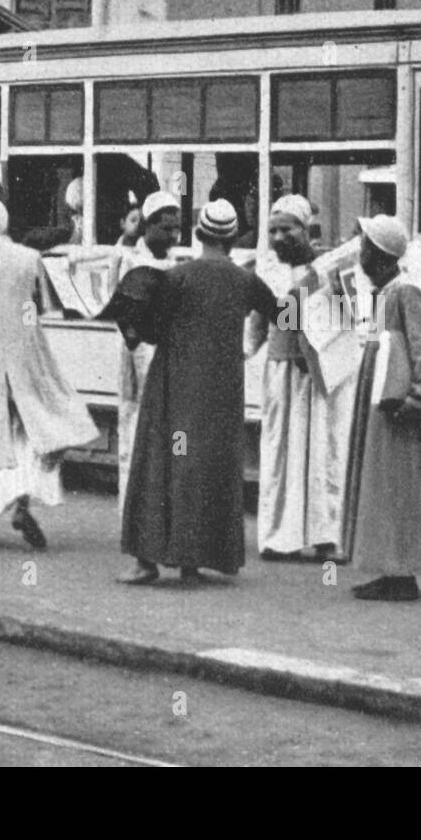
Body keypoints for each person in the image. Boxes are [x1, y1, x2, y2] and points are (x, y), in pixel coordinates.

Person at [119, 200, 279, 585]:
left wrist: (132, 325)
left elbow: (150, 331)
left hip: (173, 387)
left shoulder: (177, 277)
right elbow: (281, 313)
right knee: (209, 467)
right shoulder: (246, 280)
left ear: (198, 234)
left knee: (166, 461)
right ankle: (194, 560)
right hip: (222, 392)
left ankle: (148, 561)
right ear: (235, 238)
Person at [0, 197, 99, 549]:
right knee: (28, 433)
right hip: (27, 358)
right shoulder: (30, 259)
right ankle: (22, 504)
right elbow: (40, 307)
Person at [341, 215, 421, 601]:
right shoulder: (389, 293)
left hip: (401, 407)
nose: (360, 258)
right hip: (385, 404)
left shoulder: (406, 293)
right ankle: (392, 569)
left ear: (381, 256)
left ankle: (401, 572)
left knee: (398, 487)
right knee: (387, 488)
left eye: (365, 251)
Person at [253, 194, 354, 562]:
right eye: (273, 230)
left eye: (287, 229)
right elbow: (260, 326)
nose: (279, 237)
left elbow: (355, 317)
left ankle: (328, 537)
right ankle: (281, 536)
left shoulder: (331, 269)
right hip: (283, 373)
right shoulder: (267, 271)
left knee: (325, 451)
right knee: (281, 452)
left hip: (322, 375)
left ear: (306, 229)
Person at [112, 191, 181, 523]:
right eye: (166, 228)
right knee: (135, 426)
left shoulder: (177, 263)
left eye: (177, 229)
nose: (172, 236)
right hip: (138, 356)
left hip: (168, 356)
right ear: (149, 226)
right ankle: (133, 510)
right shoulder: (129, 261)